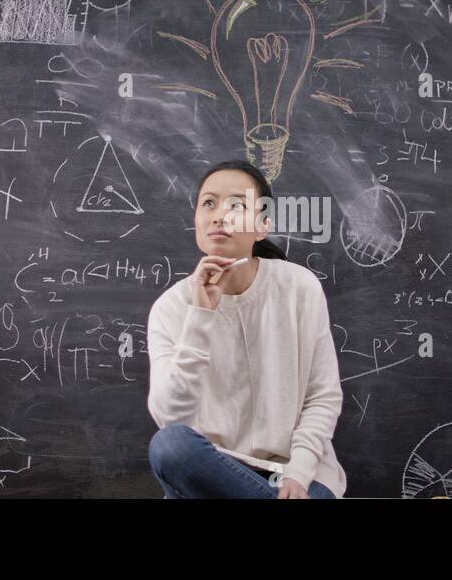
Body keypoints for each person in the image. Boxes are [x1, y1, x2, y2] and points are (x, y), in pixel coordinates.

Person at [145, 160, 347, 499]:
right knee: (170, 446)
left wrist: (296, 476)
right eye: (208, 203)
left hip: (298, 471)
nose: (219, 215)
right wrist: (200, 316)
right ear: (196, 219)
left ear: (263, 224)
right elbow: (170, 416)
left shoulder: (298, 287)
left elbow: (322, 396)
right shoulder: (172, 308)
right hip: (217, 471)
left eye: (237, 205)